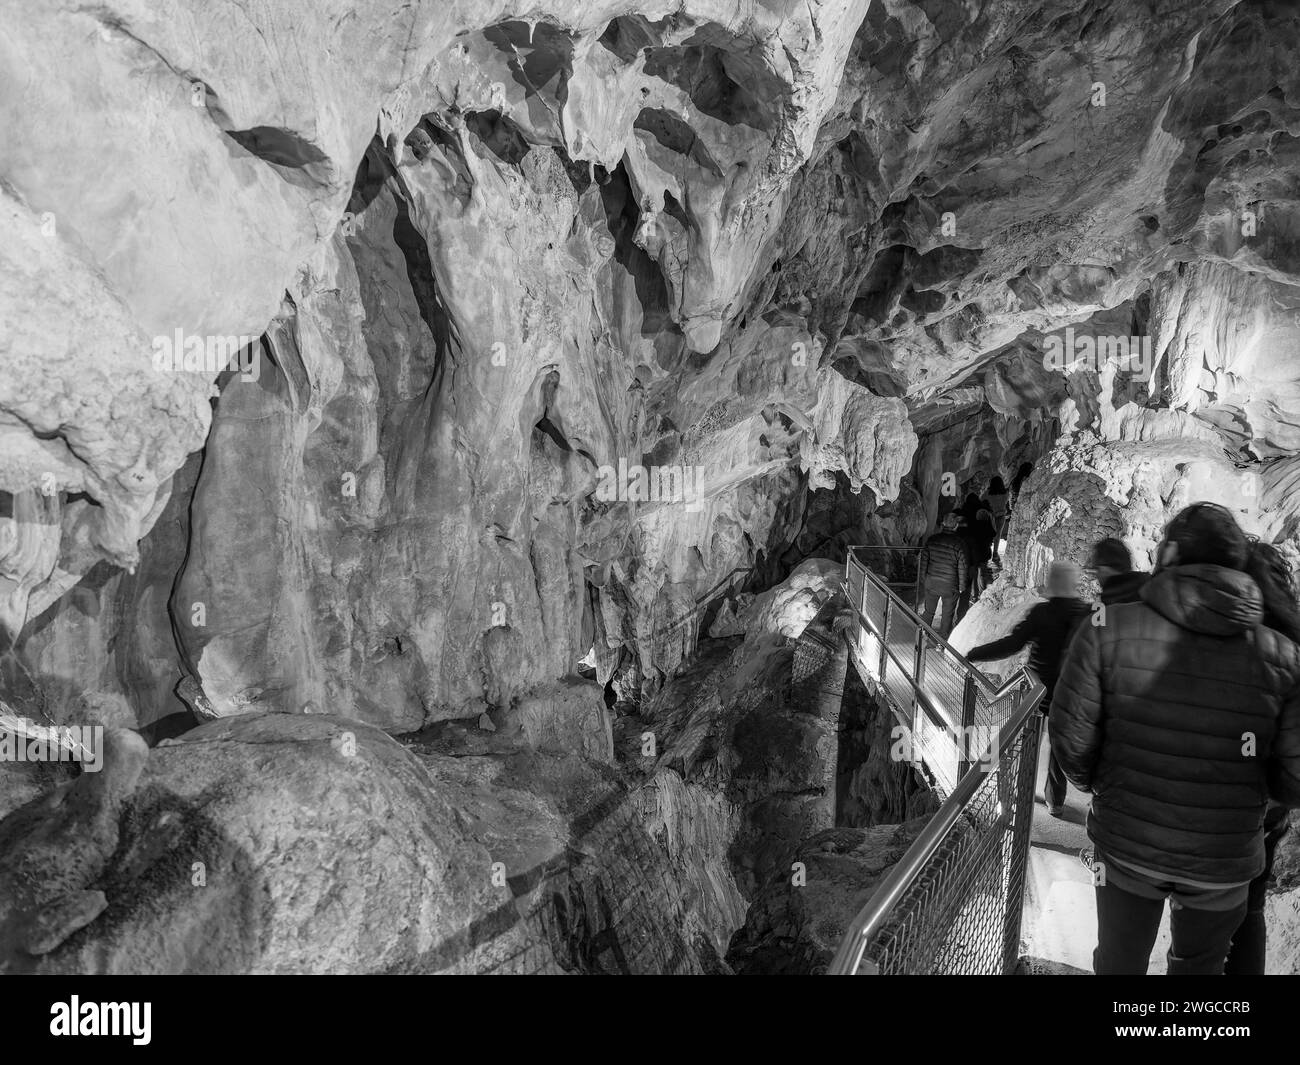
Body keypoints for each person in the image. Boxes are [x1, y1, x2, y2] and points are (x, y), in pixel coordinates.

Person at [1052, 502, 1300, 976]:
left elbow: (1072, 737)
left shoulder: (1108, 629)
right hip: (1223, 861)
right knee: (1198, 972)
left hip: (1128, 844)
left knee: (1118, 962)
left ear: (1167, 554)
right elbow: (1293, 778)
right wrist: (1247, 802)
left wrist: (1101, 787)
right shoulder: (1284, 657)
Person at [1224, 541, 1300, 975]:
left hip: (1226, 805)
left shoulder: (1236, 640)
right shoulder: (1292, 643)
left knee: (1203, 909)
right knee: (1250, 909)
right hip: (1269, 811)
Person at [967, 560, 1090, 815]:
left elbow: (1013, 644)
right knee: (1059, 750)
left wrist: (975, 653)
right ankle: (1055, 801)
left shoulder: (1042, 612)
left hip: (1036, 689)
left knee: (1025, 743)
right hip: (1069, 692)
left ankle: (1020, 793)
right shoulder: (1087, 613)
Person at [916, 512, 968, 637]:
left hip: (932, 582)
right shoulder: (959, 543)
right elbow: (963, 566)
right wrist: (962, 586)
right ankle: (942, 643)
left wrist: (924, 579)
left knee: (928, 612)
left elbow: (924, 561)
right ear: (956, 526)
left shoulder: (932, 540)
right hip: (950, 585)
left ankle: (922, 638)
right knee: (947, 615)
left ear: (943, 523)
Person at [1089, 537, 1149, 605]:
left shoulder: (1109, 605)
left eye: (1096, 568)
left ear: (1105, 569)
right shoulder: (1149, 590)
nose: (1096, 575)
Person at [986, 476, 1010, 561]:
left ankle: (986, 551)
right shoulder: (1006, 493)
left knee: (989, 533)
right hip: (1001, 516)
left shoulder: (988, 493)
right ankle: (995, 554)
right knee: (998, 534)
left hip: (991, 515)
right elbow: (1007, 502)